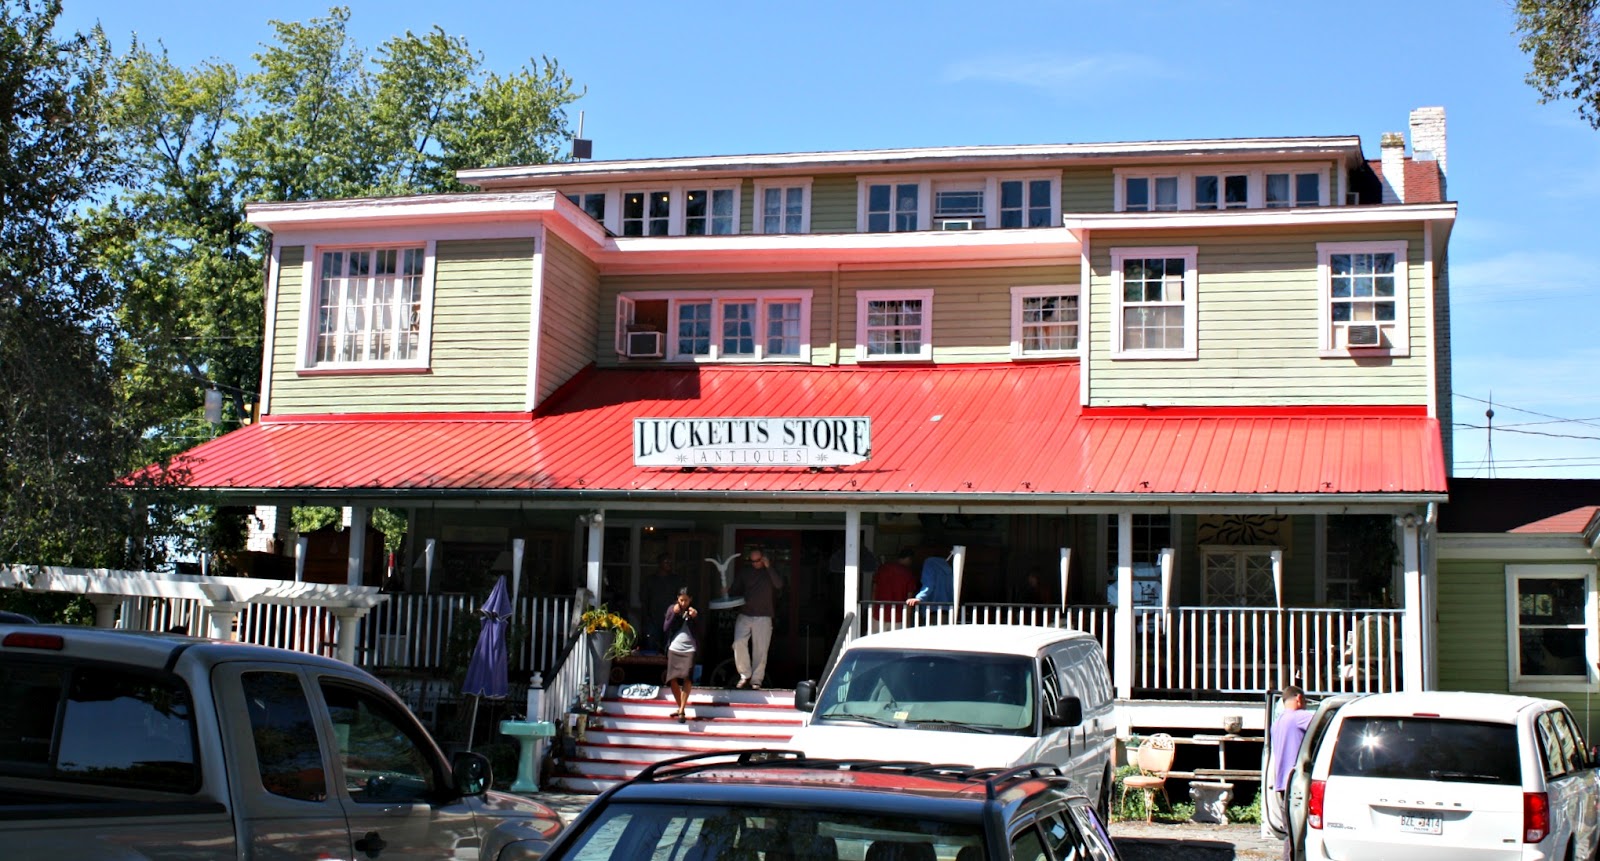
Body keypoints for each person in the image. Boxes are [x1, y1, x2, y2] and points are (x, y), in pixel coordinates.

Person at [1269, 684, 1314, 861]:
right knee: (1301, 832)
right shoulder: (1299, 717)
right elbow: (1324, 725)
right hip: (1297, 783)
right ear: (1298, 699)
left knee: (1290, 831)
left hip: (1281, 782)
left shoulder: (1277, 722)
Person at [730, 546, 783, 690]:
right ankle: (744, 674)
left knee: (761, 649)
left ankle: (756, 680)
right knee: (738, 642)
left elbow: (779, 584)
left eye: (757, 560)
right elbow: (734, 590)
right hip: (745, 613)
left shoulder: (770, 571)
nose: (754, 563)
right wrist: (726, 591)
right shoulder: (745, 572)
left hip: (764, 616)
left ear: (764, 558)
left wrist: (768, 567)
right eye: (752, 561)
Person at [663, 587, 700, 722]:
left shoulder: (693, 611)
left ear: (690, 599)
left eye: (686, 600)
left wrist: (695, 618)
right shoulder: (672, 609)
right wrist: (673, 613)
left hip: (689, 648)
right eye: (681, 600)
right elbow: (665, 628)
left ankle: (682, 710)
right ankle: (680, 709)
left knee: (687, 678)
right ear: (677, 599)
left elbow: (700, 630)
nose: (683, 603)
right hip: (675, 647)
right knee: (673, 678)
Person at [641, 554, 679, 652]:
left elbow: (681, 597)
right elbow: (644, 600)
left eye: (671, 562)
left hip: (670, 620)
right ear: (660, 564)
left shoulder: (675, 580)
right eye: (666, 562)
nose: (669, 564)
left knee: (669, 648)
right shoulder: (650, 580)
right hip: (653, 620)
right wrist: (646, 619)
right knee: (651, 648)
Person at [871, 548, 918, 618]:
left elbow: (874, 590)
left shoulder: (882, 569)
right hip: (898, 616)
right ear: (908, 558)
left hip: (879, 613)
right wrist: (907, 618)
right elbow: (909, 597)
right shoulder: (908, 574)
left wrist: (872, 610)